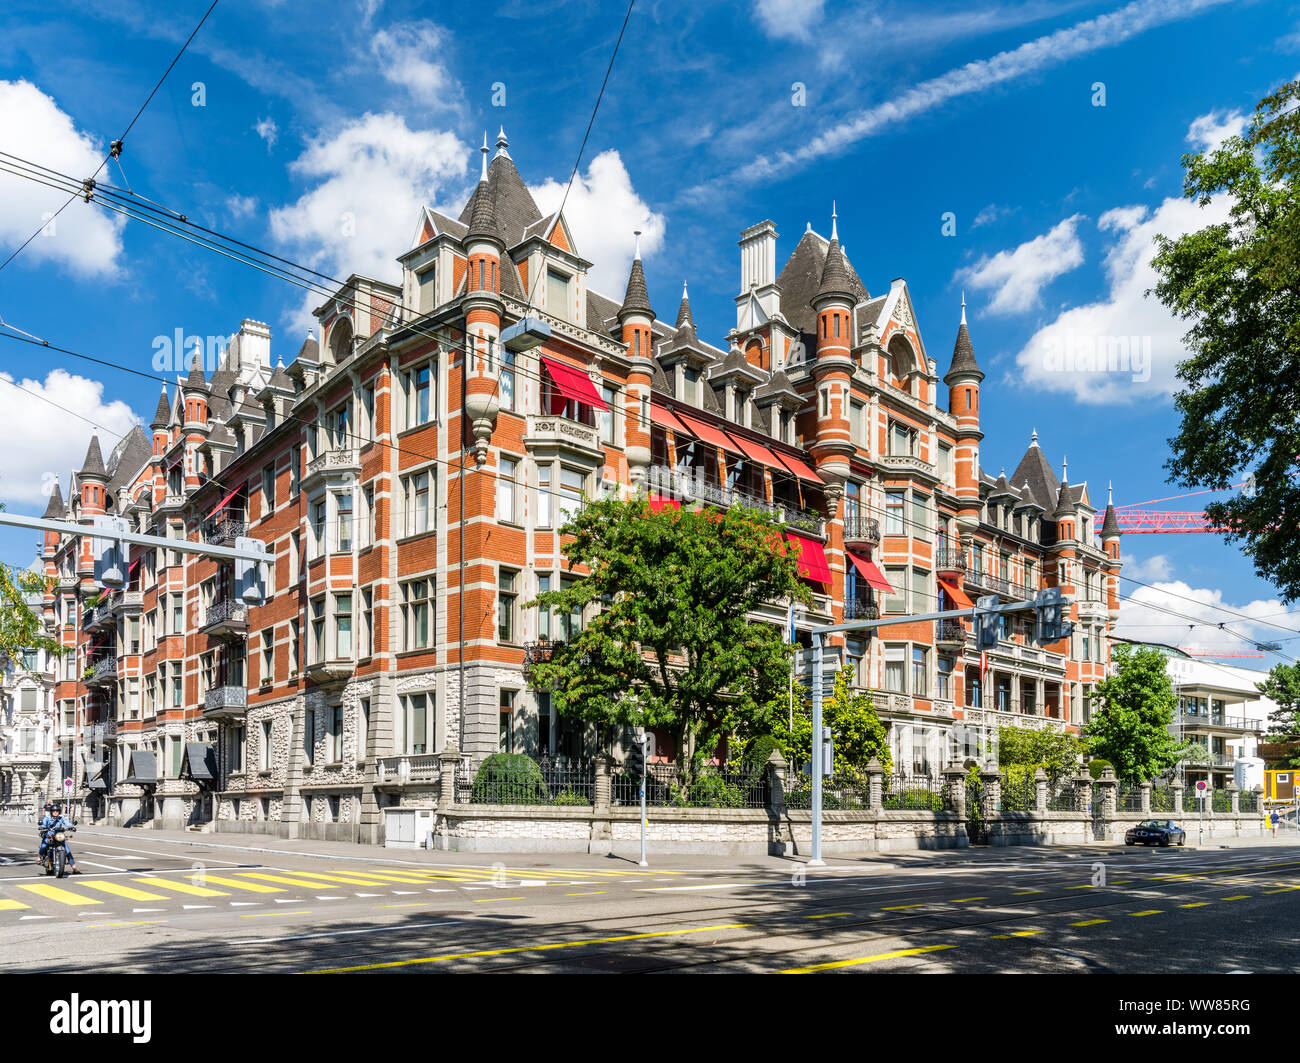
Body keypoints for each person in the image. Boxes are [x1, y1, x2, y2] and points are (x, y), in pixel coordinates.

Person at [39, 804, 80, 874]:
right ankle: (39, 857)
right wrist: (42, 827)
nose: (55, 812)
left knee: (67, 850)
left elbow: (67, 823)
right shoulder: (47, 818)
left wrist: (72, 827)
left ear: (59, 812)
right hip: (49, 835)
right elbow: (43, 824)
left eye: (57, 811)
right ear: (51, 812)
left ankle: (73, 867)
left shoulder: (61, 818)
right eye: (54, 811)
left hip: (59, 835)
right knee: (44, 845)